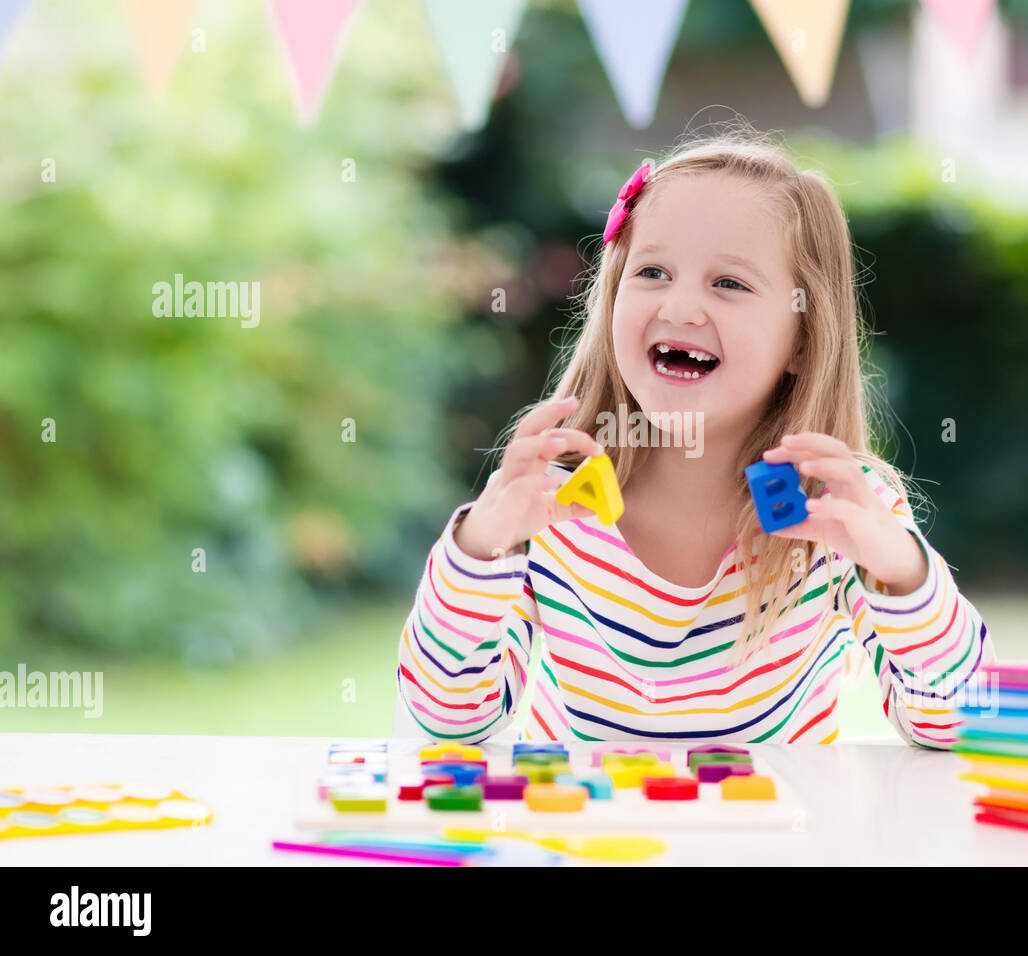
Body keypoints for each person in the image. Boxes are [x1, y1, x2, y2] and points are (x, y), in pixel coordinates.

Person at [398, 128, 993, 747]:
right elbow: (449, 717)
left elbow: (963, 721)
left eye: (729, 283)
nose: (680, 307)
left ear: (803, 341)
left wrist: (898, 568)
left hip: (774, 844)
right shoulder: (553, 502)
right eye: (652, 271)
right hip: (582, 842)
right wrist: (478, 547)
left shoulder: (838, 509)